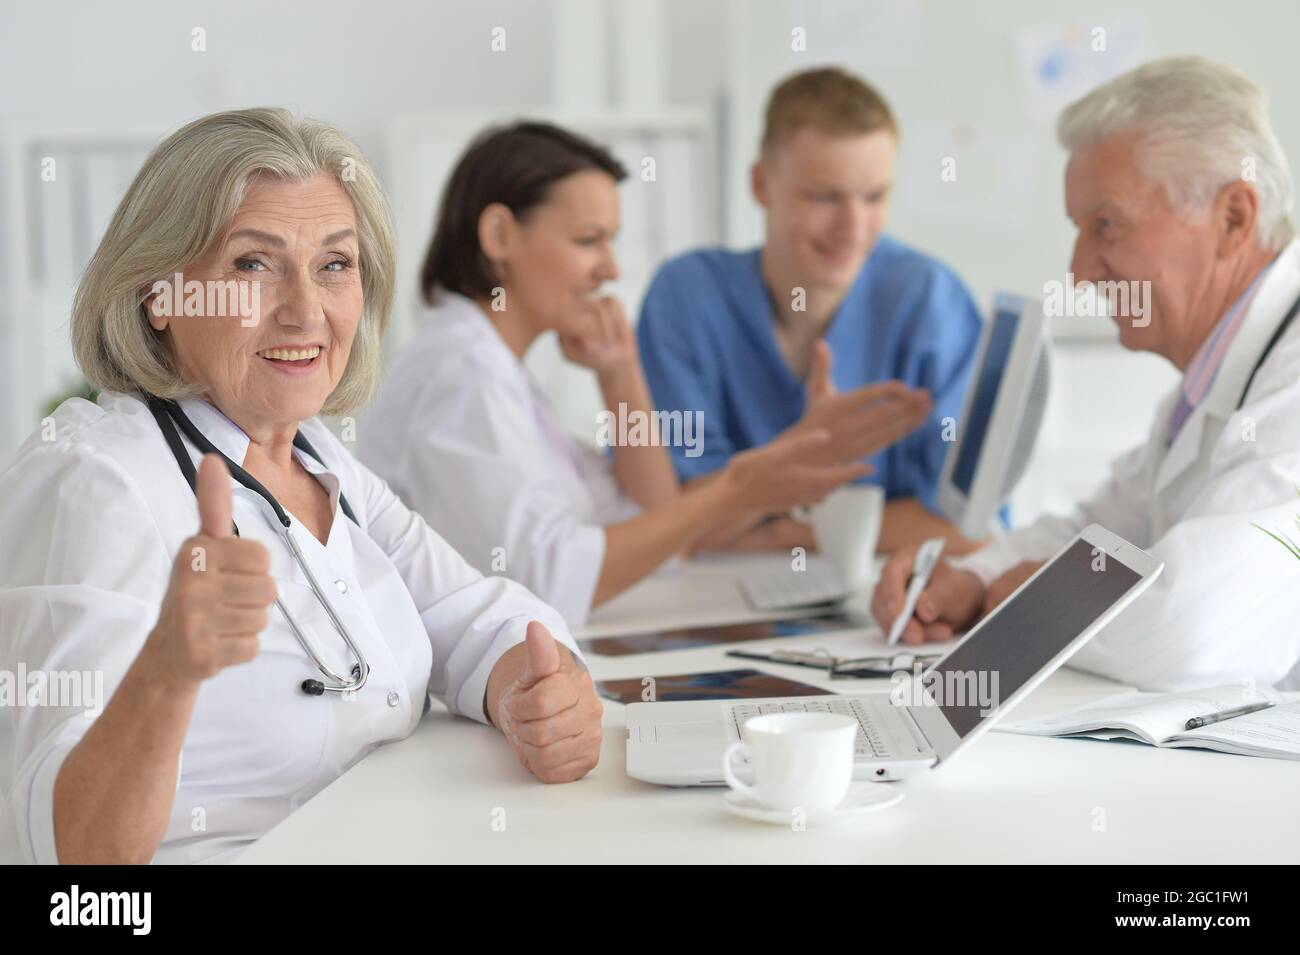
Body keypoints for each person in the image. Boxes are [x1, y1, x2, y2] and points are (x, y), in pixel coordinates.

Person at [0, 108, 603, 865]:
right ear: (158, 295)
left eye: (335, 264)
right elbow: (63, 858)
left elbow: (474, 615)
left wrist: (539, 696)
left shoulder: (319, 460)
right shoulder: (93, 481)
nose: (305, 309)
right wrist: (167, 672)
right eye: (253, 265)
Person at [358, 122, 919, 627]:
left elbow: (655, 525)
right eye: (588, 240)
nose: (612, 268)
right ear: (501, 236)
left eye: (611, 241)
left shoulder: (501, 374)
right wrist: (736, 489)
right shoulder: (461, 374)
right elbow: (546, 580)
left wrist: (620, 374)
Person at [872, 57, 1300, 691]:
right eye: (1079, 230)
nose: (1079, 272)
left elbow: (1185, 633)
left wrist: (1037, 598)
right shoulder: (1210, 381)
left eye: (1106, 225)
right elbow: (1099, 527)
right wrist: (974, 576)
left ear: (1232, 218)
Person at [636, 67, 985, 555]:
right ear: (762, 185)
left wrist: (785, 531)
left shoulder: (930, 302)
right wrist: (810, 447)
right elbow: (673, 526)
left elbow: (969, 529)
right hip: (710, 606)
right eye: (825, 196)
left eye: (875, 196)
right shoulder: (687, 298)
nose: (853, 227)